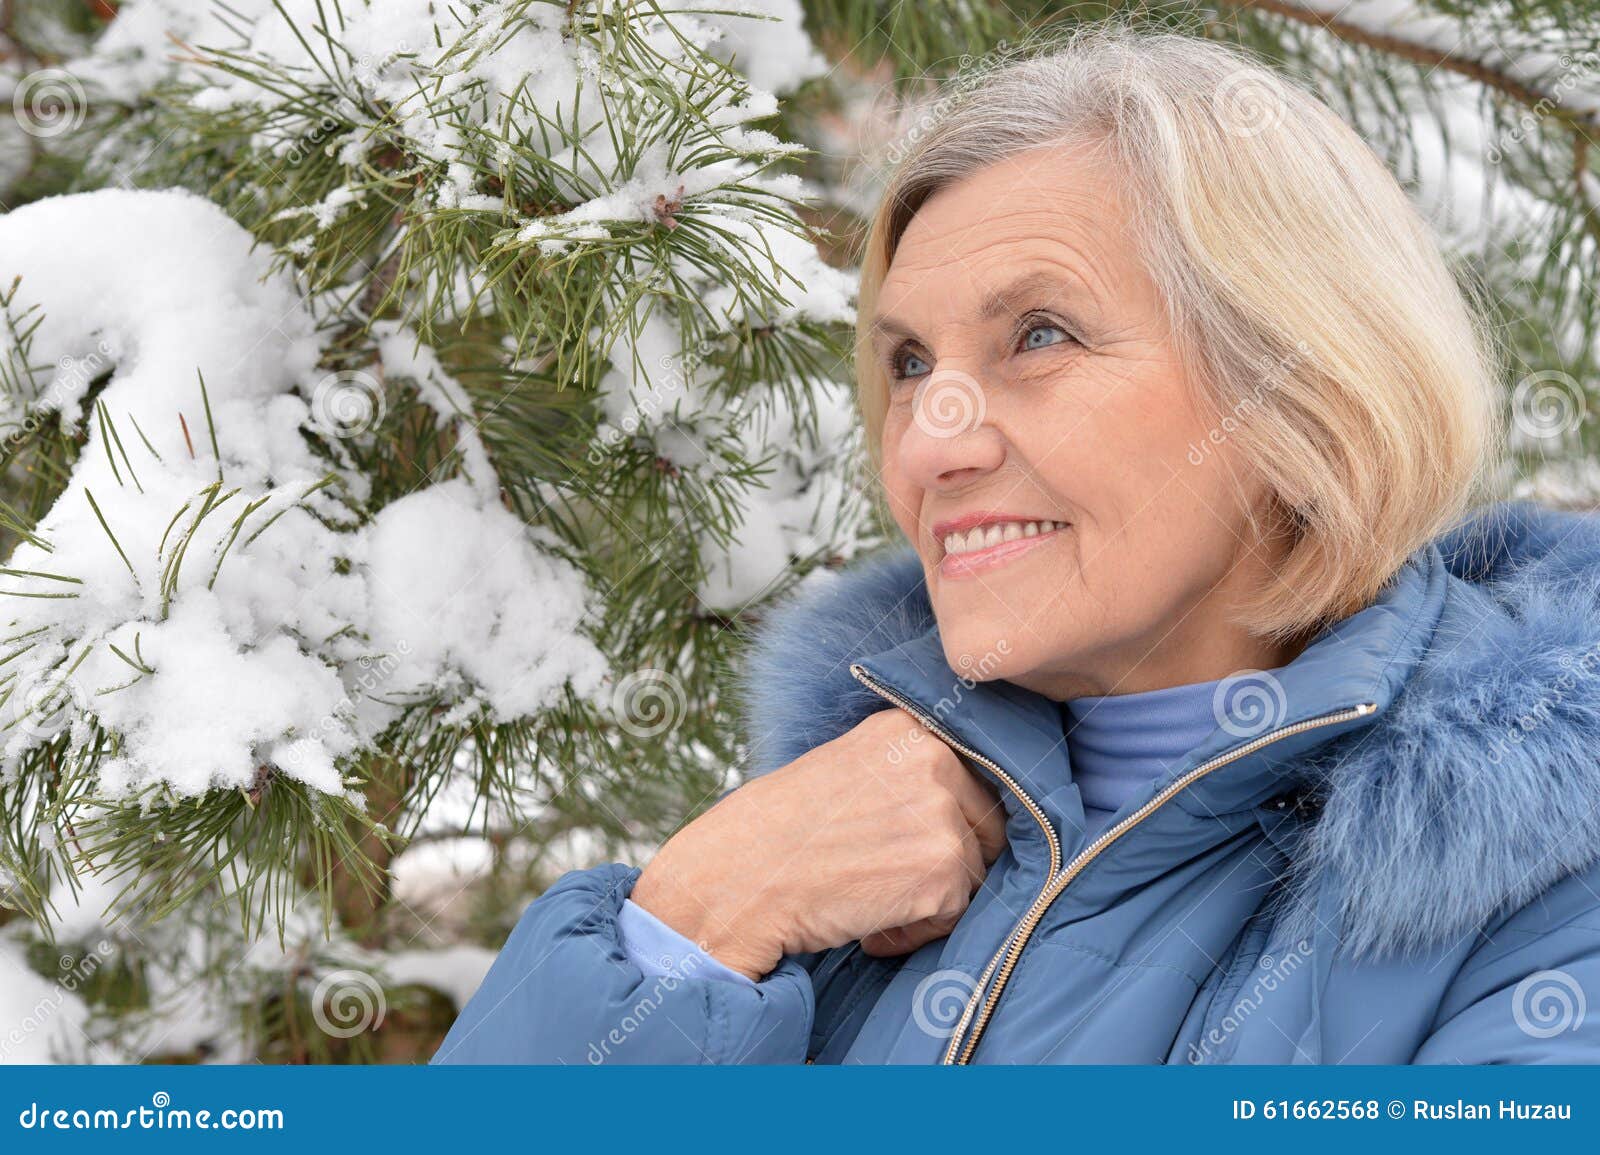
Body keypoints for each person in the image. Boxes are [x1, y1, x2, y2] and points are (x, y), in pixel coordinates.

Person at [432, 24, 1600, 1064]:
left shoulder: (1551, 896)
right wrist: (690, 925)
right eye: (907, 363)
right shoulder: (828, 861)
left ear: (1300, 391)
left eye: (1040, 335)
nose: (927, 443)